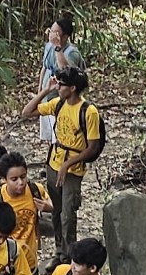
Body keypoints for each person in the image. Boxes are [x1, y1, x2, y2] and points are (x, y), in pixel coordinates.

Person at [34, 64, 104, 261]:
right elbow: (26, 112)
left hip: (73, 170)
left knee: (68, 216)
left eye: (61, 84)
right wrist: (45, 91)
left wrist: (68, 164)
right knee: (56, 212)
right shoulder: (58, 104)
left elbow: (92, 147)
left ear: (72, 88)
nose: (58, 87)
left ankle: (69, 257)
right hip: (54, 163)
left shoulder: (88, 112)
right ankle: (60, 252)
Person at [38, 13, 81, 155]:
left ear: (65, 36)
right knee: (49, 135)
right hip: (47, 96)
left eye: (55, 33)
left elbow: (66, 72)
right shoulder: (48, 47)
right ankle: (50, 158)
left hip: (61, 100)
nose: (51, 35)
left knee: (59, 135)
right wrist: (40, 91)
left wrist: (58, 48)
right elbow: (44, 68)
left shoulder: (72, 52)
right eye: (50, 31)